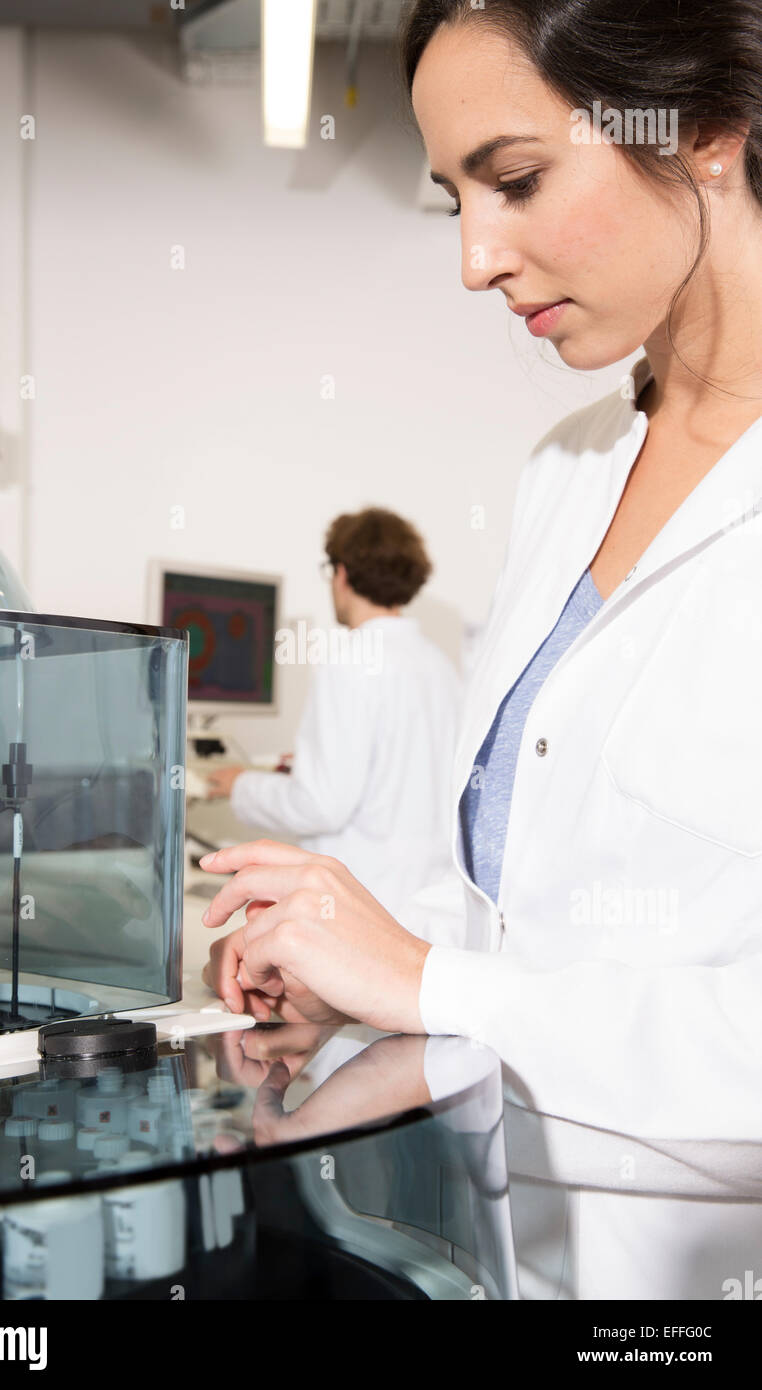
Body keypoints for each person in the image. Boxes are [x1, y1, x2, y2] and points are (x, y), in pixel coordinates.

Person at [199, 0, 762, 1295]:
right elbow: (537, 924)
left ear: (711, 130)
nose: (473, 258)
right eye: (454, 195)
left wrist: (431, 980)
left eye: (512, 180)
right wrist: (366, 972)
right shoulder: (566, 474)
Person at [205, 508, 461, 920]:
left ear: (341, 574)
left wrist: (240, 785)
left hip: (362, 904)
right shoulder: (440, 665)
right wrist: (312, 765)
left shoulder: (350, 662)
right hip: (426, 906)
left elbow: (321, 805)